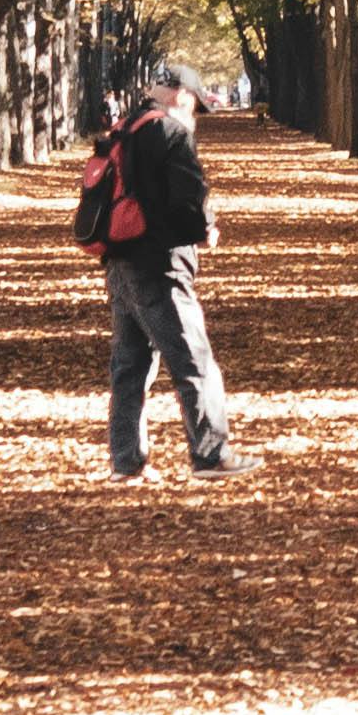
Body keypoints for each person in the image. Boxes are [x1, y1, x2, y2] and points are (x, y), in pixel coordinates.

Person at [101, 63, 244, 481]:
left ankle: (125, 461)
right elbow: (188, 200)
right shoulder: (172, 133)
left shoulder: (126, 127)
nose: (194, 115)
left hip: (119, 261)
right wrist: (204, 231)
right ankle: (211, 455)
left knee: (129, 366)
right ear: (183, 95)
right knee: (194, 359)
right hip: (160, 265)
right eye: (196, 106)